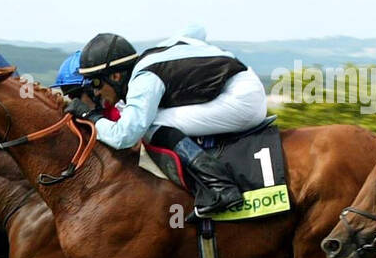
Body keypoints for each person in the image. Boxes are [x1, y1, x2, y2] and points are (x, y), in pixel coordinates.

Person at [67, 27, 266, 217]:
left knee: (151, 126)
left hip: (243, 100)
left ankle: (220, 187)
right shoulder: (152, 57)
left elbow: (125, 136)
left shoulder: (143, 79)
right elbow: (196, 29)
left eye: (95, 83)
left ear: (116, 76)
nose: (96, 92)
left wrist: (90, 117)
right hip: (243, 86)